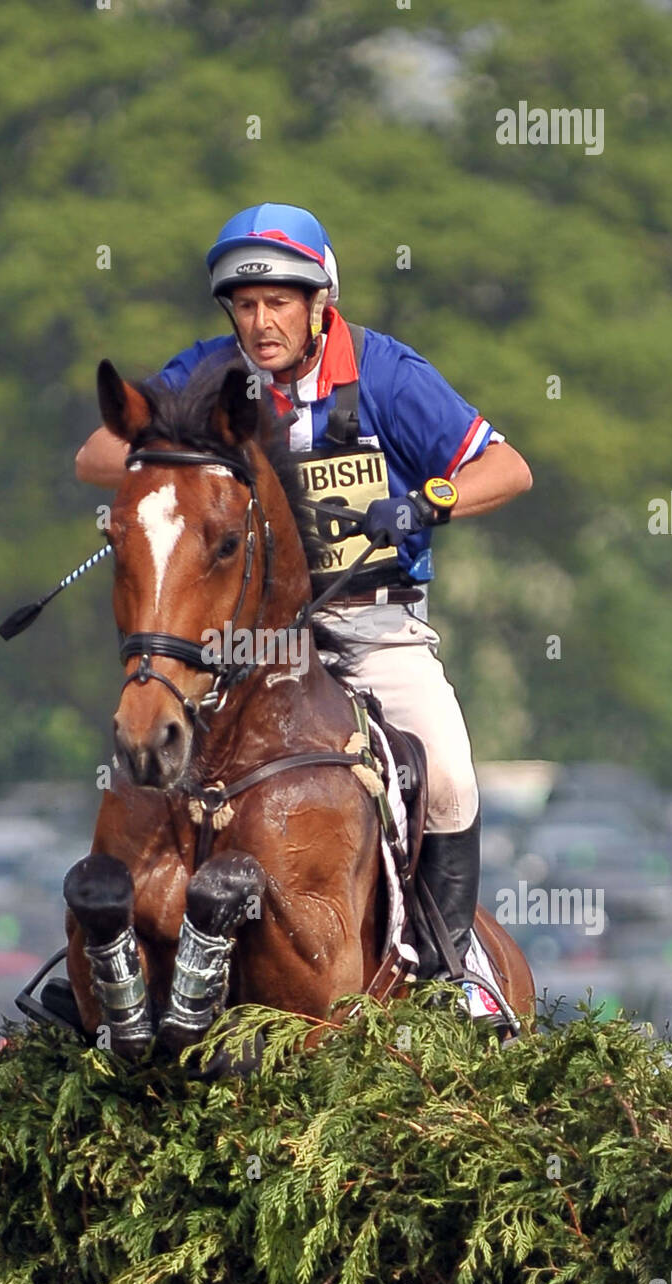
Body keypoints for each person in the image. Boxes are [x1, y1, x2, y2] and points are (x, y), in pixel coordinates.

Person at [75, 202, 533, 998]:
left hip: (370, 624)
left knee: (451, 774)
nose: (260, 323)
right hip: (246, 639)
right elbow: (96, 457)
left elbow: (507, 468)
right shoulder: (211, 370)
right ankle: (100, 958)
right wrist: (174, 453)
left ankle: (453, 970)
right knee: (152, 753)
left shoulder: (385, 372)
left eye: (279, 303)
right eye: (246, 306)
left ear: (321, 302)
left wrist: (428, 500)